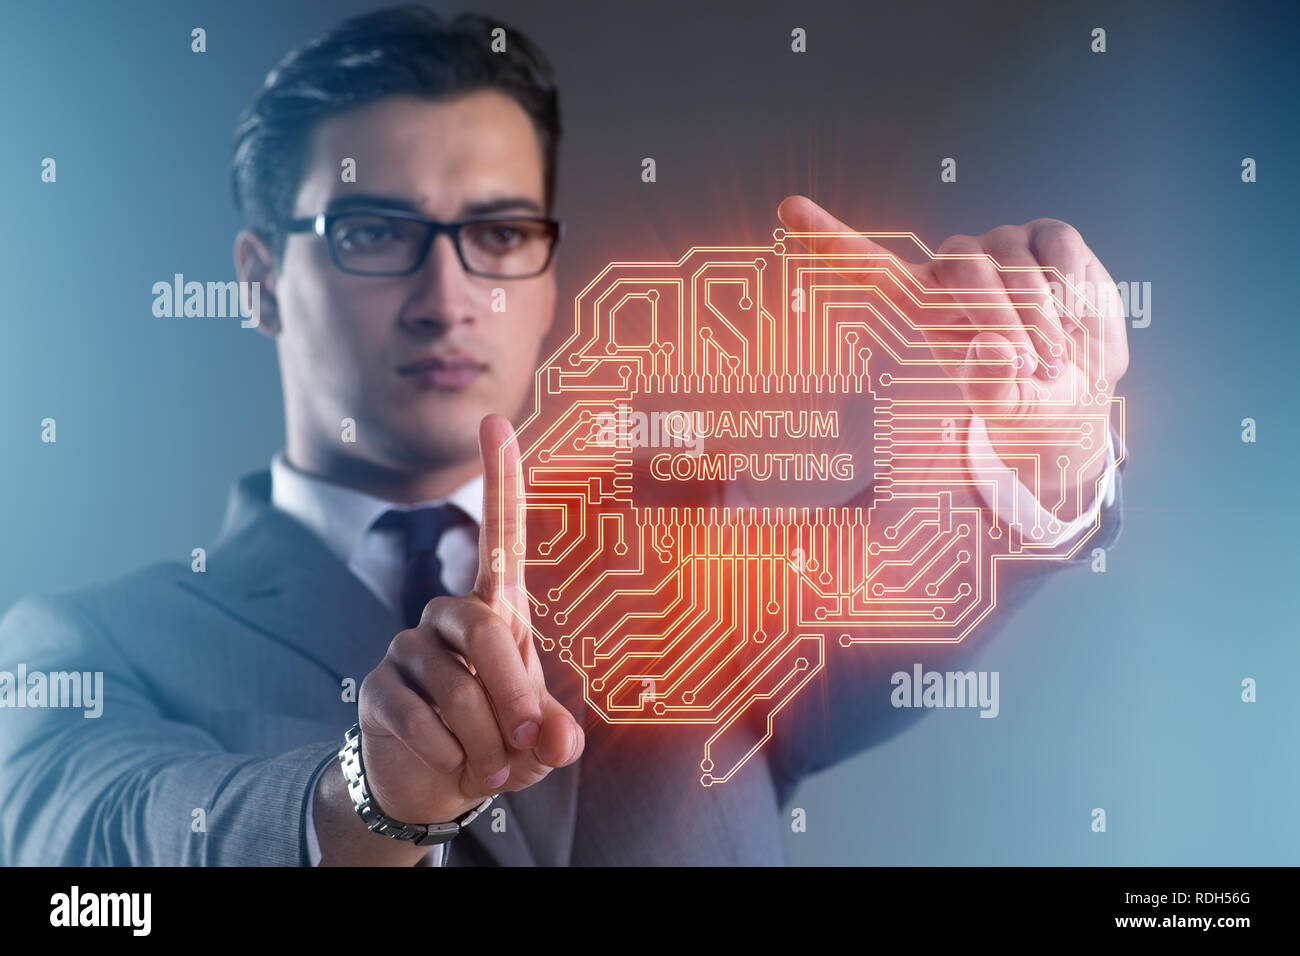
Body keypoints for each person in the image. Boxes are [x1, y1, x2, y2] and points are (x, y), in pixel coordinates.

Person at [0, 5, 1125, 866]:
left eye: (498, 232)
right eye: (374, 229)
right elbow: (106, 841)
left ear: (545, 277)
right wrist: (361, 793)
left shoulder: (700, 564)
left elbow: (910, 591)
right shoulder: (87, 643)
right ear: (258, 281)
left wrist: (1038, 453)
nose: (447, 293)